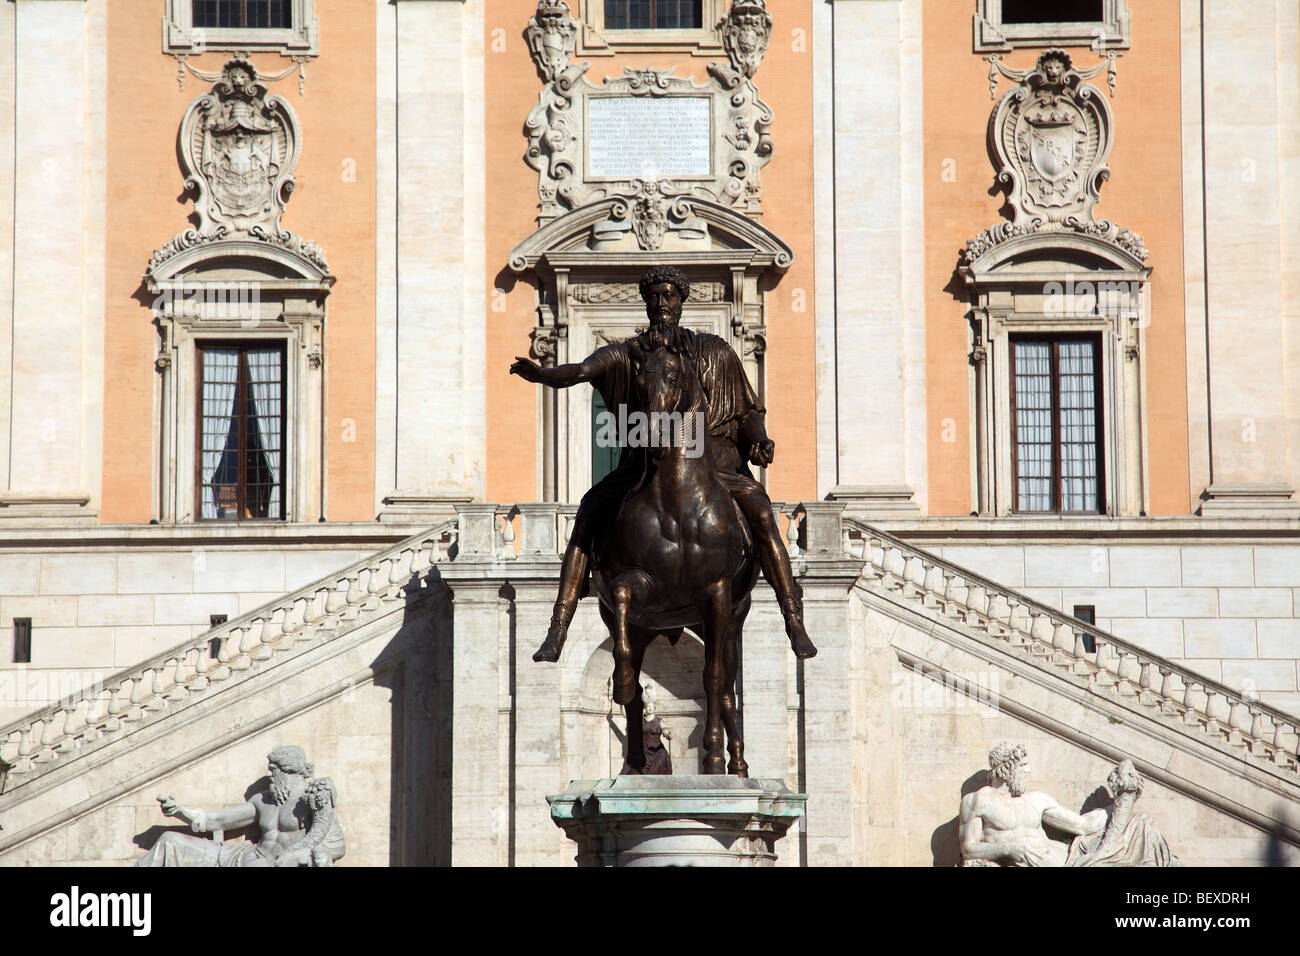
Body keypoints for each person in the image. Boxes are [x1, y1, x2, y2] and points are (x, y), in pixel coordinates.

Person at [510, 265, 817, 664]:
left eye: (669, 295)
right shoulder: (629, 353)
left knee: (760, 513)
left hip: (717, 464)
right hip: (641, 464)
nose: (661, 303)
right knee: (588, 513)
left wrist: (759, 439)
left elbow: (747, 409)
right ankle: (558, 628)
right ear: (646, 301)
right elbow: (583, 370)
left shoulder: (716, 350)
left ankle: (793, 618)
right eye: (654, 296)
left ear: (681, 301)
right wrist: (544, 375)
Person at [136, 745, 345, 867]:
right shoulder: (264, 800)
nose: (272, 777)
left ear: (290, 770)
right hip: (243, 856)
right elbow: (218, 821)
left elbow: (335, 845)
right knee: (170, 840)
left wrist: (304, 855)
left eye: (275, 771)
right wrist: (180, 811)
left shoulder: (314, 800)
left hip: (276, 864)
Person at [958, 741, 1106, 867]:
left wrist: (1115, 810)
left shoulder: (1037, 799)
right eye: (1023, 765)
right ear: (1008, 769)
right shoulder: (979, 801)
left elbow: (1081, 825)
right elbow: (968, 848)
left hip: (1065, 859)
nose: (1028, 770)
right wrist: (1007, 849)